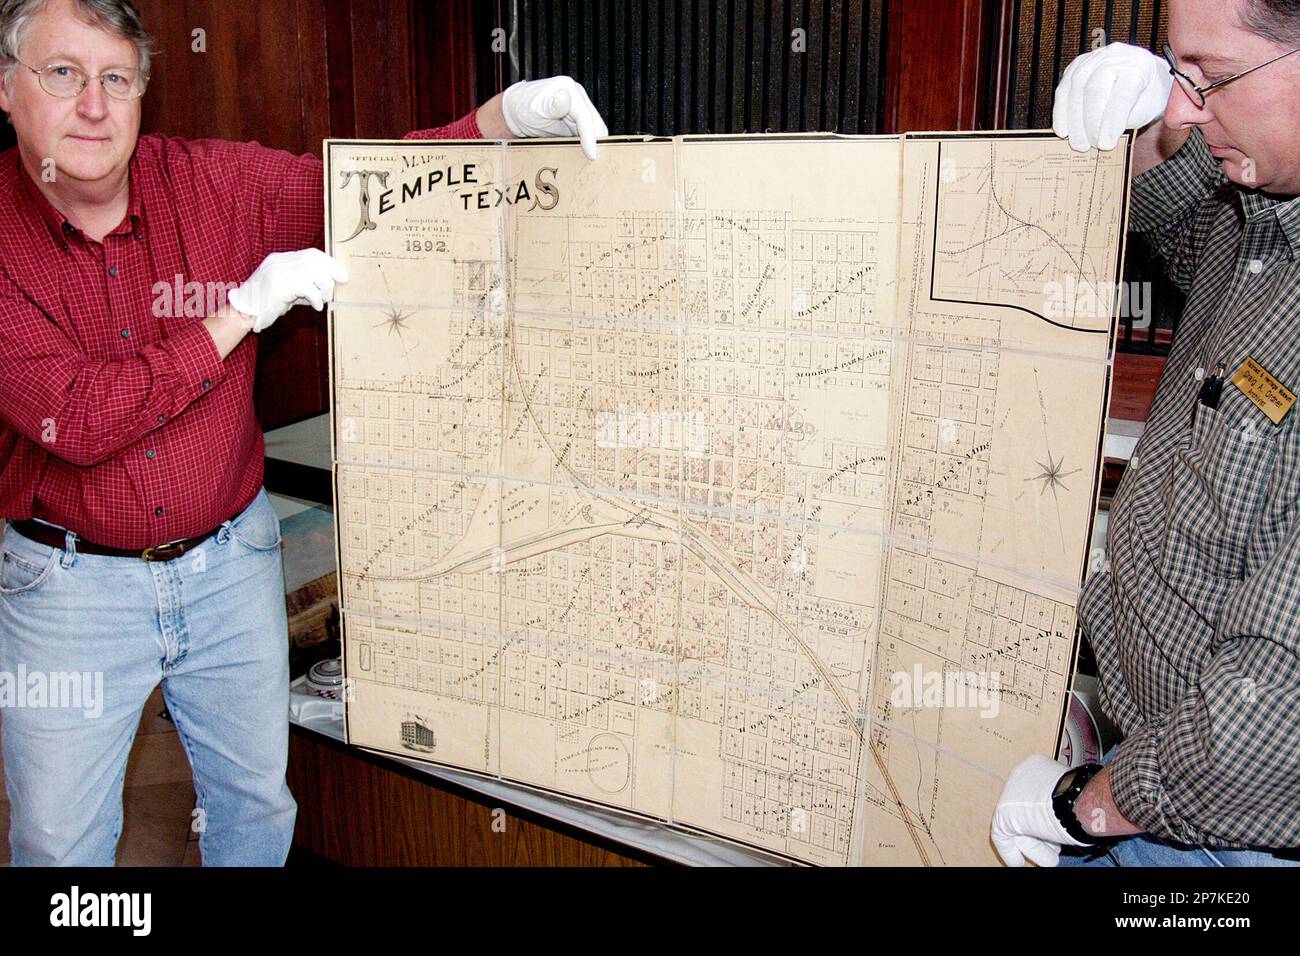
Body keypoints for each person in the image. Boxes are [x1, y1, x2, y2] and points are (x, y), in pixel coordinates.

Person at [0, 0, 607, 866]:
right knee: (59, 846)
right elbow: (84, 417)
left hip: (229, 564)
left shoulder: (215, 184)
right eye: (63, 74)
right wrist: (237, 313)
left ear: (142, 93)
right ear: (7, 89)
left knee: (255, 810)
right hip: (68, 586)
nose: (94, 105)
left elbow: (373, 186)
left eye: (118, 79)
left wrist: (501, 119)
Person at [992, 0, 1300, 867]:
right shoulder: (1266, 225)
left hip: (1233, 825)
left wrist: (1081, 807)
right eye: (1179, 71)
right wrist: (1137, 129)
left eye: (1212, 76)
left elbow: (1279, 705)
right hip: (1164, 766)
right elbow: (1168, 222)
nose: (1185, 106)